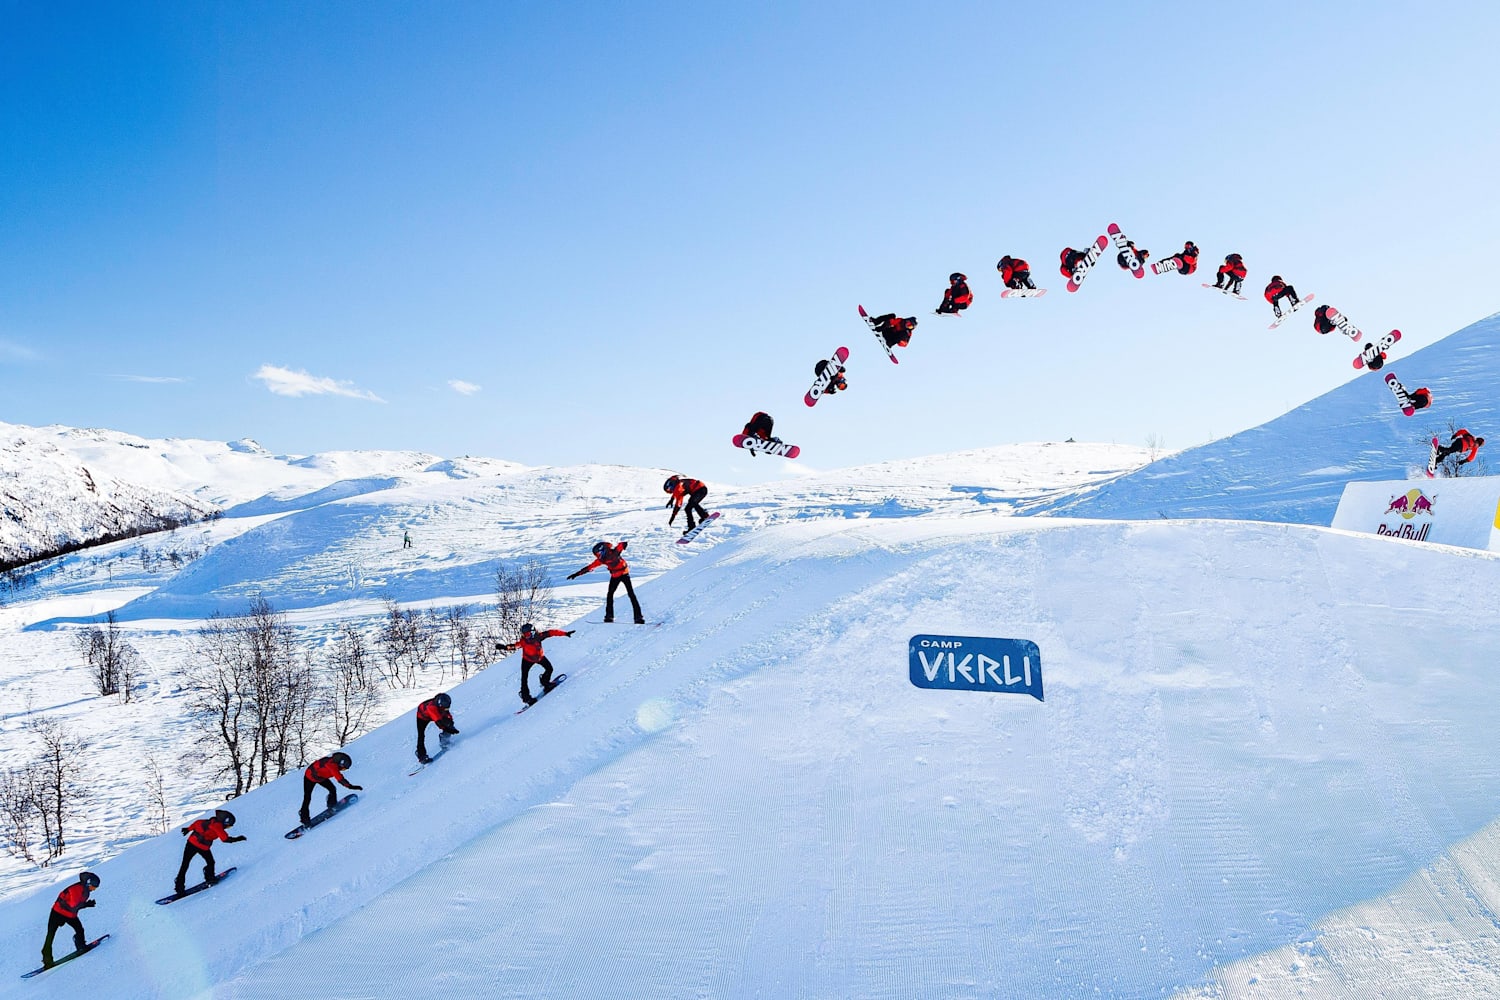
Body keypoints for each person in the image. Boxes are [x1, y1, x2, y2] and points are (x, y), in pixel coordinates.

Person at [567, 541, 644, 624]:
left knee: (628, 595)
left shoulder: (613, 553)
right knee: (615, 595)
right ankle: (613, 617)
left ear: (602, 551)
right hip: (617, 576)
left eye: (598, 554)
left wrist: (623, 545)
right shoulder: (603, 559)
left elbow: (621, 545)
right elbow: (589, 567)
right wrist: (576, 574)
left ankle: (634, 617)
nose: (598, 556)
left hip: (623, 575)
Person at [496, 624, 574, 706]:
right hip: (527, 660)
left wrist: (565, 633)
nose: (526, 636)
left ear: (533, 632)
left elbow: (552, 632)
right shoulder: (524, 641)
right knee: (524, 679)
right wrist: (504, 647)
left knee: (549, 669)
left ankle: (545, 682)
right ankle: (526, 697)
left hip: (540, 658)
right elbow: (515, 646)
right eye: (524, 634)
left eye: (528, 634)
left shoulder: (539, 636)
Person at [174, 809, 245, 894]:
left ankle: (179, 886)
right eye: (229, 826)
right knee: (210, 862)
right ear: (224, 823)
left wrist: (188, 829)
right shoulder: (218, 826)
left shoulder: (208, 822)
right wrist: (238, 839)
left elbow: (197, 823)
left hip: (191, 844)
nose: (228, 828)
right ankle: (210, 878)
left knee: (185, 865)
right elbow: (225, 839)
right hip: (203, 847)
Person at [41, 871, 99, 967]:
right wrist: (86, 904)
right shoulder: (76, 889)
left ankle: (80, 946)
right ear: (88, 883)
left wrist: (86, 904)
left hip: (69, 914)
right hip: (57, 913)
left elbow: (75, 906)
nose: (95, 889)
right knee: (50, 935)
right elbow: (73, 905)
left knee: (80, 929)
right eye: (94, 886)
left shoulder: (86, 892)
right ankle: (47, 958)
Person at [299, 752, 361, 826]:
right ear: (340, 764)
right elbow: (339, 778)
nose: (343, 770)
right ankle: (304, 817)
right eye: (344, 768)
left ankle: (331, 804)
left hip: (320, 778)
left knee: (332, 789)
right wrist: (350, 786)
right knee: (307, 797)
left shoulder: (333, 763)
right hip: (309, 777)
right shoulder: (332, 766)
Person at [415, 692, 459, 762]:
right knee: (421, 735)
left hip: (436, 712)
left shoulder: (443, 705)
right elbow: (439, 722)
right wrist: (448, 729)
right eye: (444, 708)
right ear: (440, 704)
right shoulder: (431, 707)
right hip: (422, 717)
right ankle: (421, 755)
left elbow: (447, 715)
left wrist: (451, 725)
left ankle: (444, 741)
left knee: (448, 724)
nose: (446, 709)